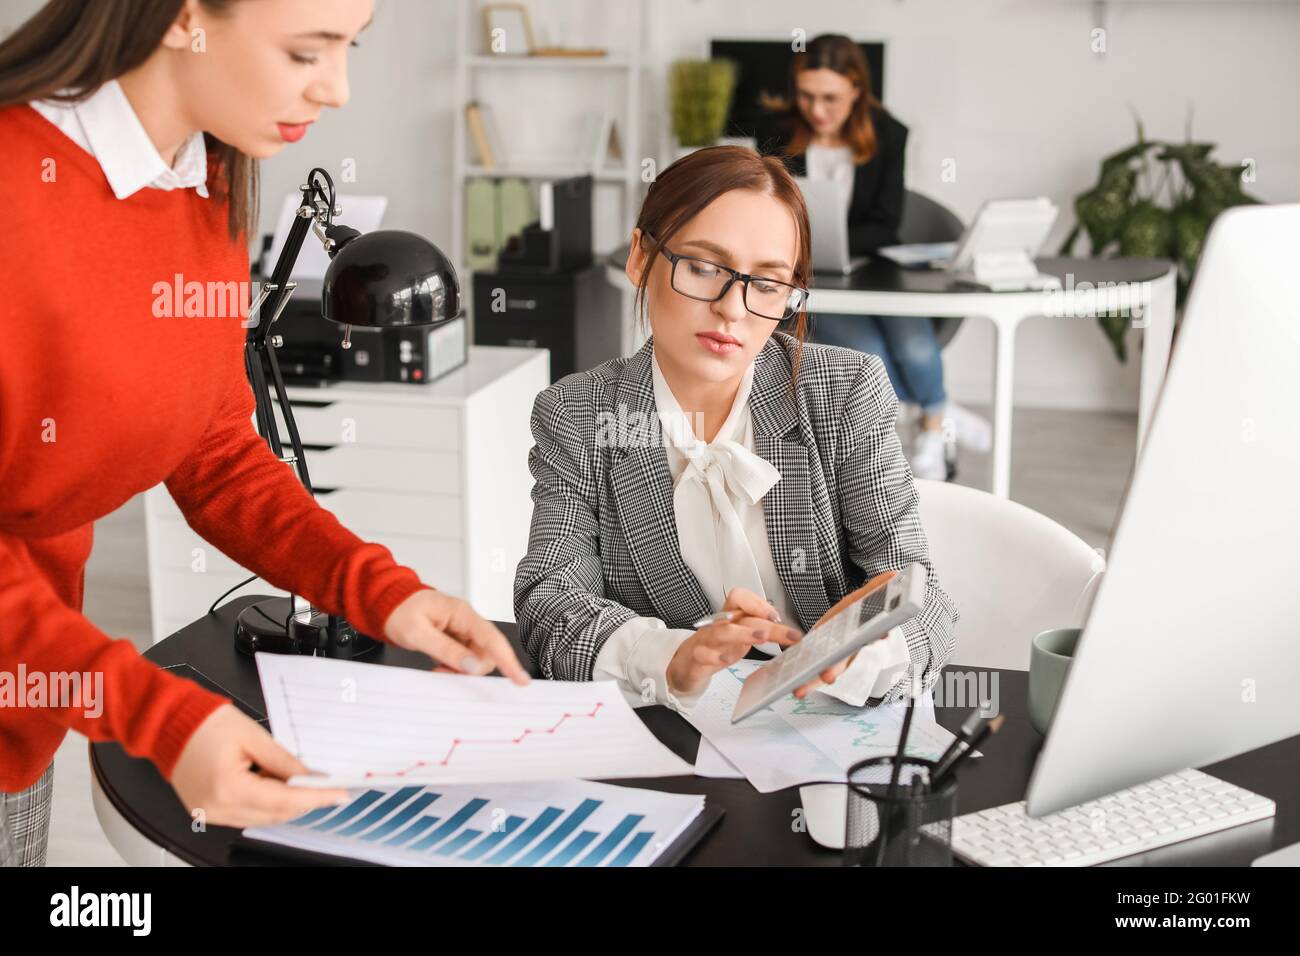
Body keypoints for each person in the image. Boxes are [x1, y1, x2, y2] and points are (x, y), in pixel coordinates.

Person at [0, 0, 528, 867]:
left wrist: (379, 591)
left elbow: (212, 449)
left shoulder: (208, 175)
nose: (340, 89)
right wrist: (154, 713)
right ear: (180, 17)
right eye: (305, 51)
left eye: (347, 49)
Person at [513, 145, 958, 712]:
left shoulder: (843, 392)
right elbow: (548, 600)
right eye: (703, 267)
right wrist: (669, 656)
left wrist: (861, 651)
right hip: (671, 732)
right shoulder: (579, 415)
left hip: (830, 732)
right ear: (640, 259)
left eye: (767, 283)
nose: (733, 309)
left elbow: (927, 602)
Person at [760, 33, 952, 480]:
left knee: (916, 347)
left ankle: (935, 423)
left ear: (857, 91)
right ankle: (937, 414)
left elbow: (886, 222)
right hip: (813, 277)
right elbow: (768, 205)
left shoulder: (889, 134)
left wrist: (839, 240)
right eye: (807, 95)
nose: (817, 109)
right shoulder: (778, 131)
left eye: (831, 98)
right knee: (869, 355)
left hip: (875, 269)